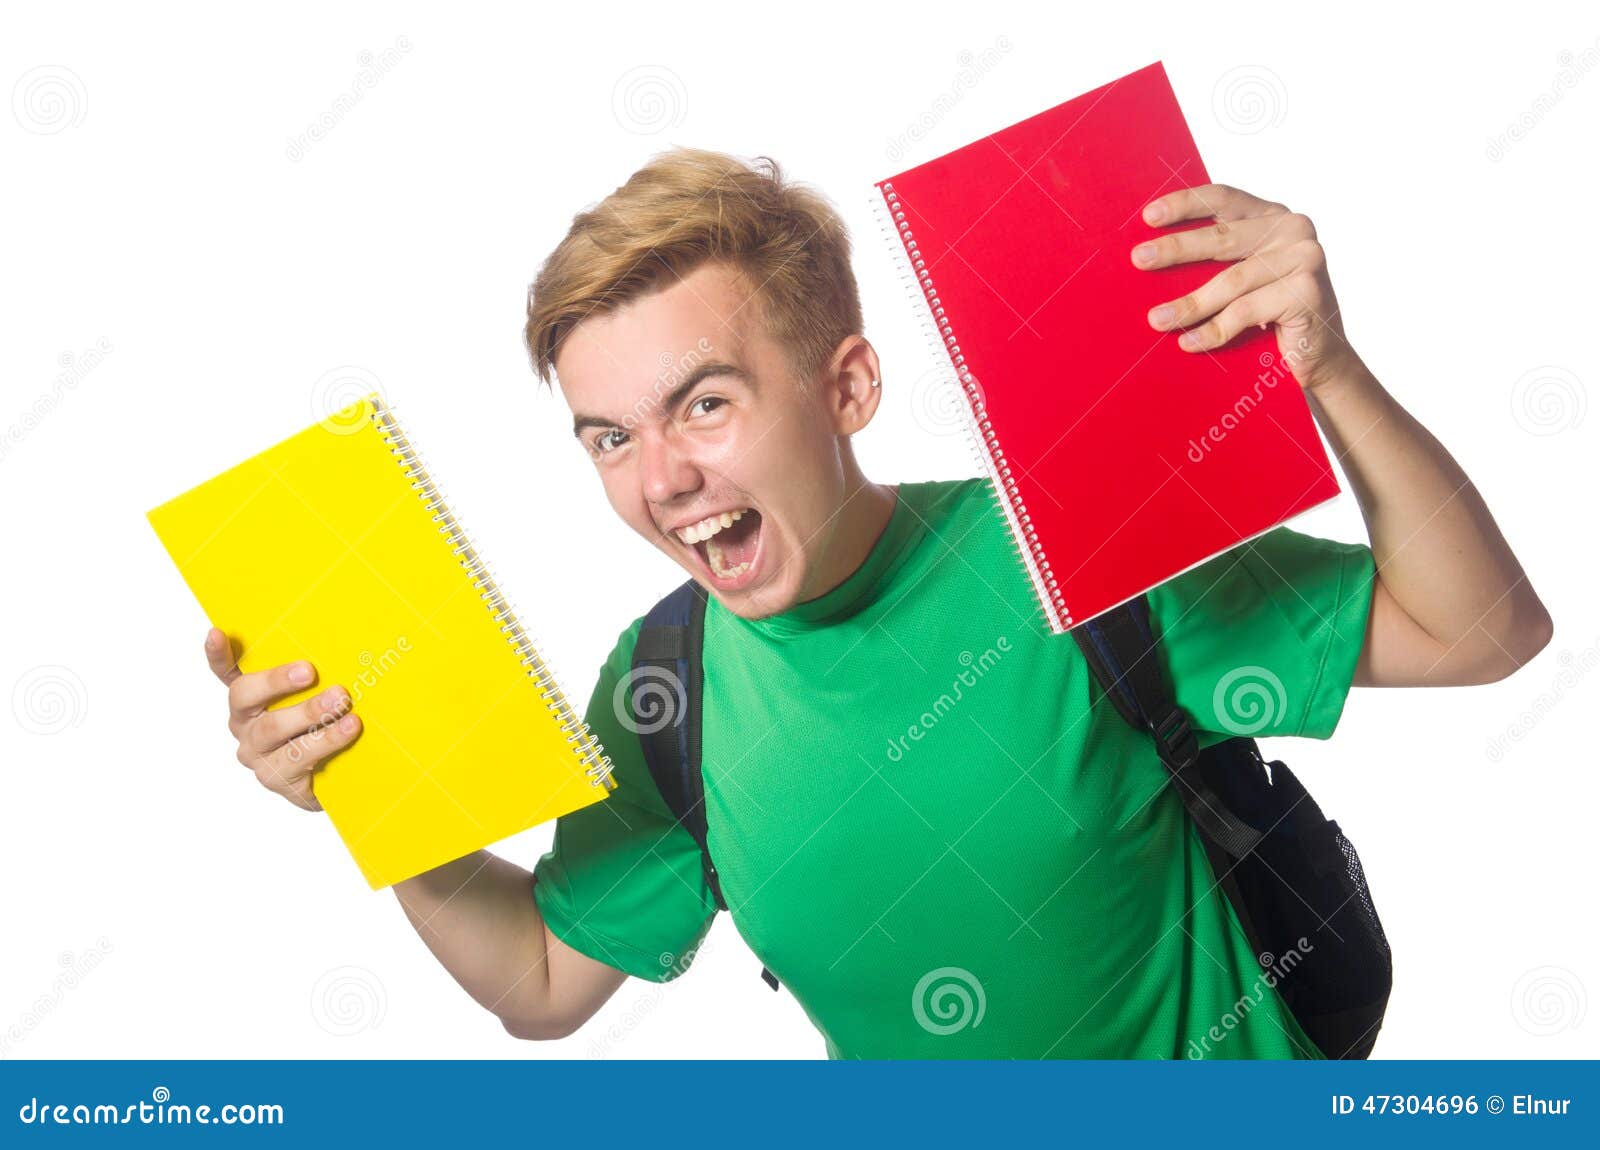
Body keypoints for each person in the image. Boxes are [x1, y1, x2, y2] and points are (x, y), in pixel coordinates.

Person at [203, 148, 1552, 1058]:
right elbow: (546, 983)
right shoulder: (663, 685)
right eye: (609, 437)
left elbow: (1484, 632)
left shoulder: (1063, 549)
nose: (663, 479)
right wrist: (383, 810)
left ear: (847, 388)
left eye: (705, 404)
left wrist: (1332, 371)